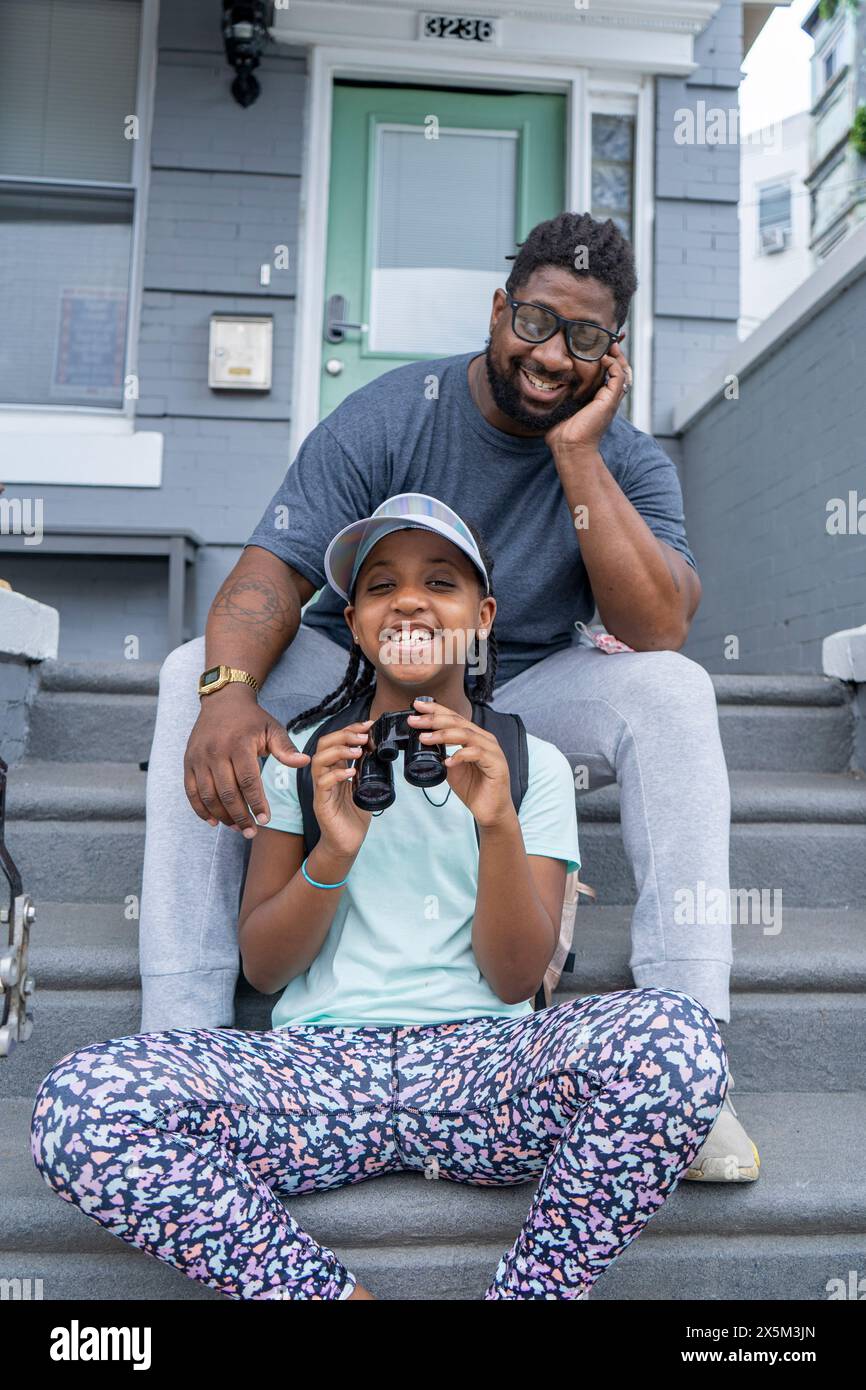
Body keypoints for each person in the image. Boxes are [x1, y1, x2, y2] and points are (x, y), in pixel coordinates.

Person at [139, 209, 758, 1181]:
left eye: (583, 336)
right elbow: (266, 577)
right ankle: (181, 1040)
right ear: (496, 307)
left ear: (612, 353)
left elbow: (657, 627)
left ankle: (694, 1064)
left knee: (674, 691)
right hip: (357, 673)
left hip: (519, 689)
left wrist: (576, 455)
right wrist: (228, 689)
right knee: (191, 672)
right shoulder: (393, 412)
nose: (551, 354)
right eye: (534, 320)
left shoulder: (623, 458)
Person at [30, 499, 730, 1300]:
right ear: (356, 624)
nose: (408, 600)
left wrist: (496, 822)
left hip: (483, 1068)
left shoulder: (528, 763)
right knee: (82, 1105)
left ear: (483, 616)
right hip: (318, 1070)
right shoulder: (306, 757)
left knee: (676, 1037)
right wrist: (334, 848)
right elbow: (263, 969)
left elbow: (514, 979)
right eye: (380, 587)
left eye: (441, 582)